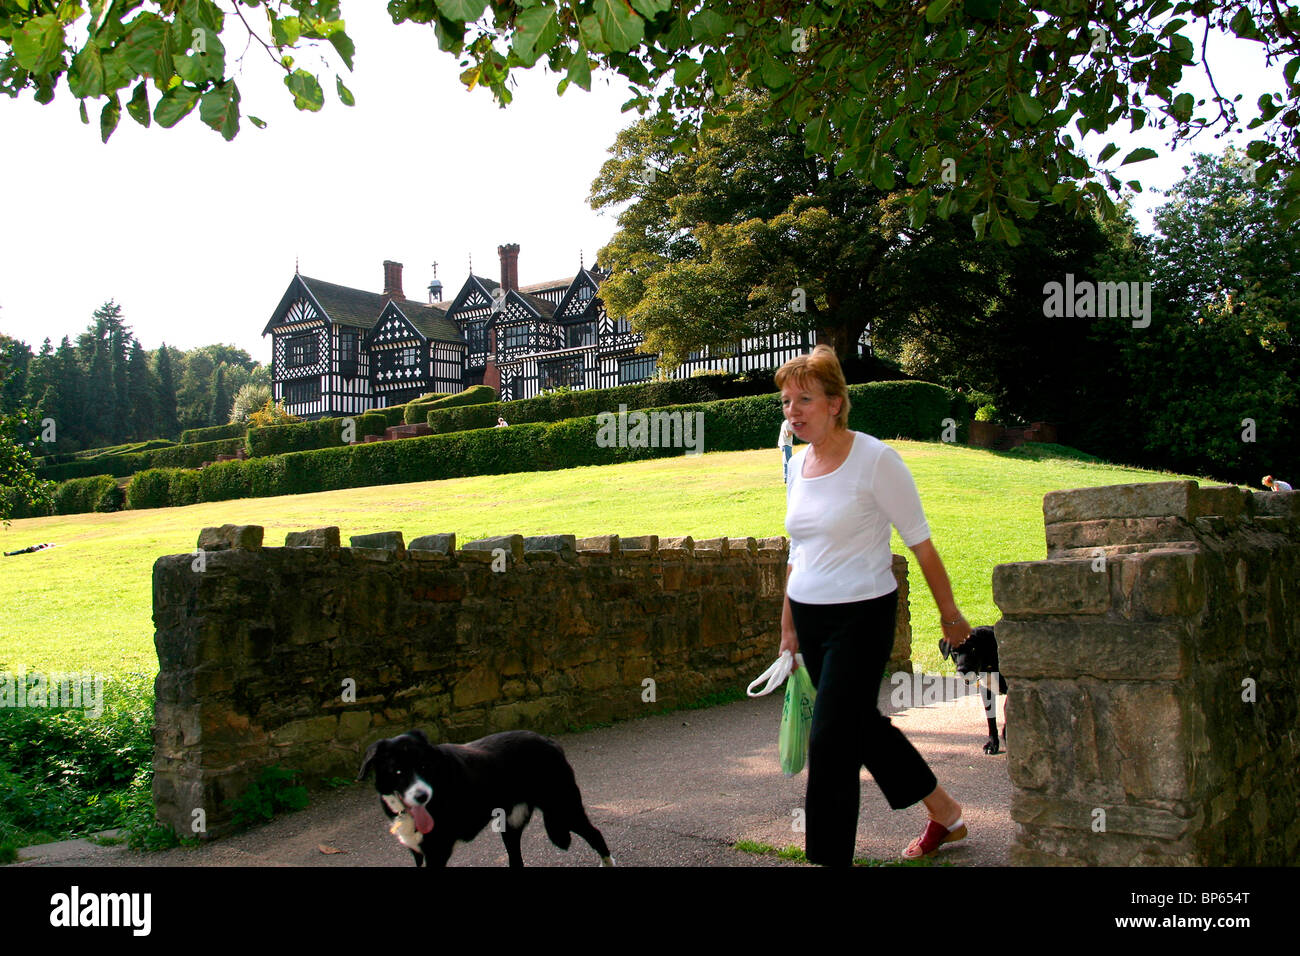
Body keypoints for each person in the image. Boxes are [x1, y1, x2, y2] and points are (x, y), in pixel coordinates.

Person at [777, 344, 973, 865]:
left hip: (863, 616)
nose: (793, 411)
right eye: (786, 402)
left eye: (804, 400)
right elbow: (800, 548)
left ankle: (827, 858)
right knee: (858, 726)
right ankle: (946, 814)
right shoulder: (797, 465)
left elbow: (921, 543)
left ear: (836, 403)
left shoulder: (876, 459)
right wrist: (789, 625)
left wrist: (950, 616)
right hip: (812, 621)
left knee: (831, 741)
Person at [778, 418, 795, 483]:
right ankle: (787, 478)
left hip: (786, 444)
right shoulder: (787, 423)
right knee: (788, 462)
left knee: (786, 461)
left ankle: (787, 478)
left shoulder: (787, 422)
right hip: (786, 444)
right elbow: (788, 434)